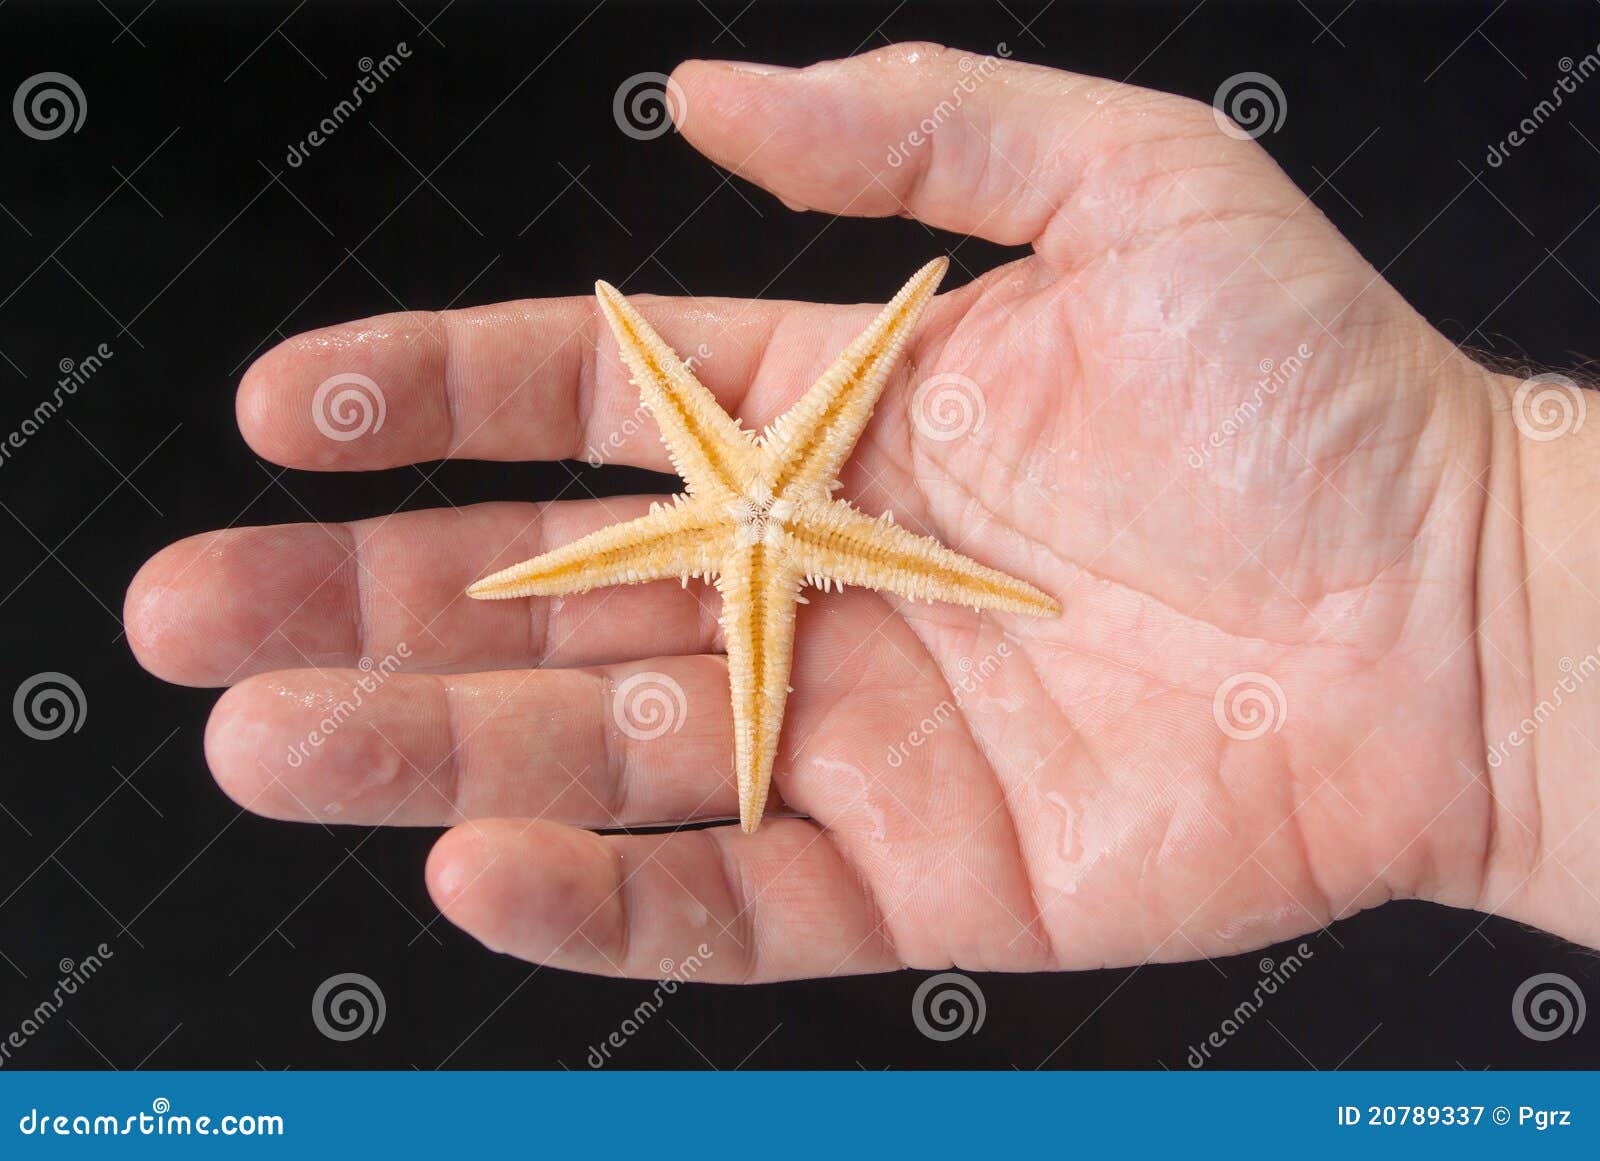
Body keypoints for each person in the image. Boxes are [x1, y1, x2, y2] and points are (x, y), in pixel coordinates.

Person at [125, 44, 1597, 981]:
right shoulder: (747, 495)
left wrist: (1488, 552)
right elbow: (697, 411)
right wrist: (1500, 609)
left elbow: (843, 382)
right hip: (754, 515)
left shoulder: (777, 491)